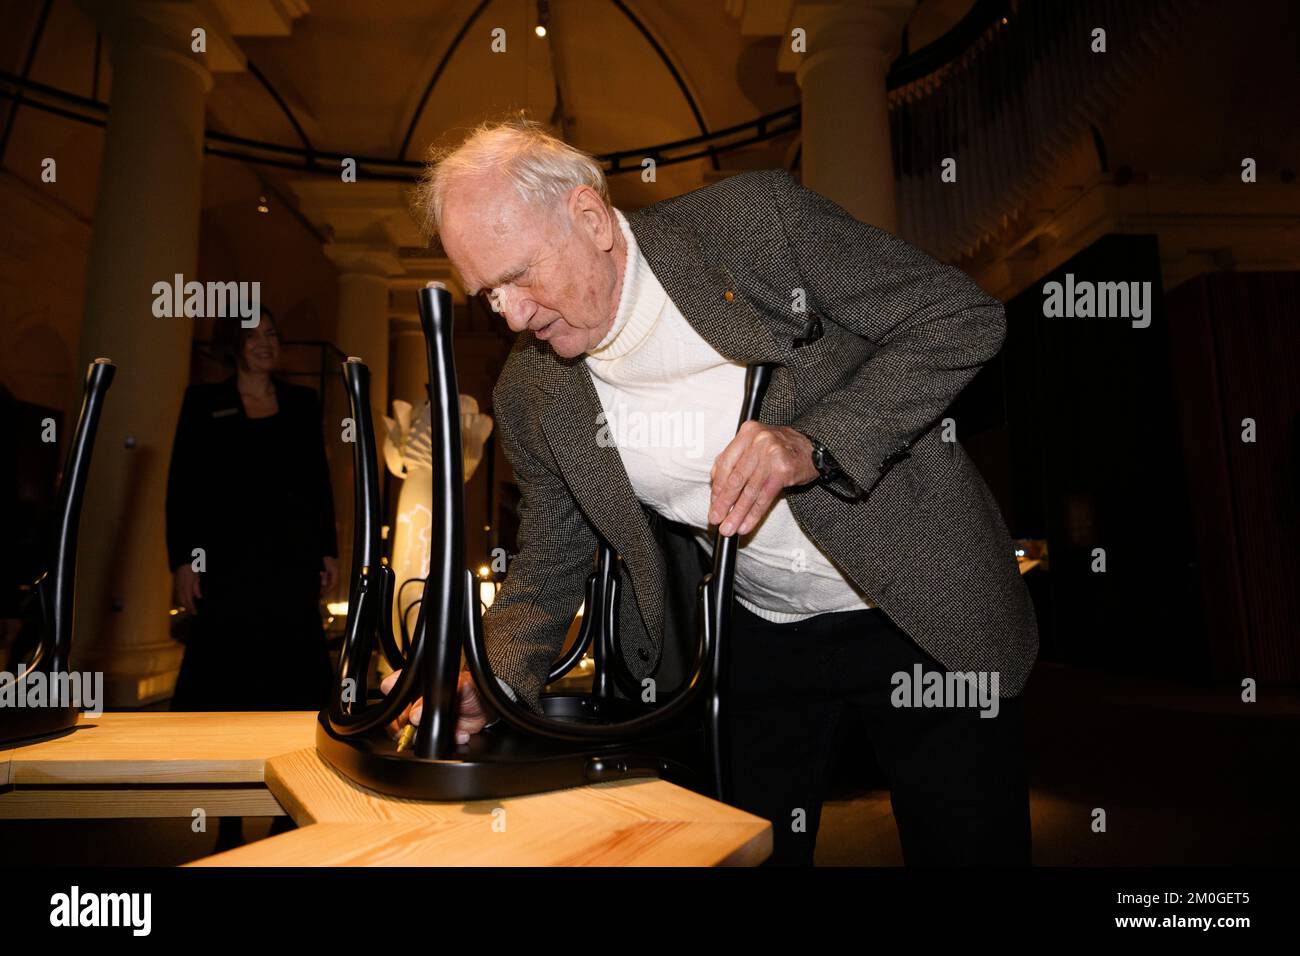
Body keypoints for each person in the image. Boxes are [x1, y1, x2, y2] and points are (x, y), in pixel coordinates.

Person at [390, 117, 1039, 866]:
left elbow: (957, 317)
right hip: (754, 631)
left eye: (519, 276)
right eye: (486, 295)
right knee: (746, 855)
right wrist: (495, 679)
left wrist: (812, 443)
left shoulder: (754, 226)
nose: (512, 316)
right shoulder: (532, 392)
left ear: (591, 219)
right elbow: (549, 559)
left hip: (916, 608)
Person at [166, 307, 339, 712]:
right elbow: (183, 488)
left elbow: (317, 483)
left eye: (272, 334)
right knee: (220, 667)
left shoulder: (302, 402)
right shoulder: (202, 402)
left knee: (297, 670)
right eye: (253, 336)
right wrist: (183, 561)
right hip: (226, 560)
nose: (266, 343)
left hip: (291, 559)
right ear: (234, 345)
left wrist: (326, 550)